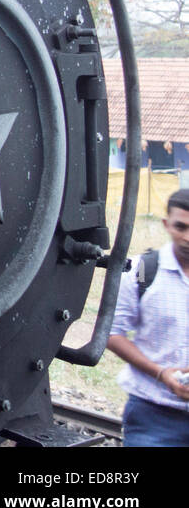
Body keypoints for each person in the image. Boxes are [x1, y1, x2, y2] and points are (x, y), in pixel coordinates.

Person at [107, 188, 189, 445]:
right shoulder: (143, 269)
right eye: (181, 227)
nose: (188, 237)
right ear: (166, 224)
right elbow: (111, 332)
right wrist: (160, 372)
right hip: (153, 419)